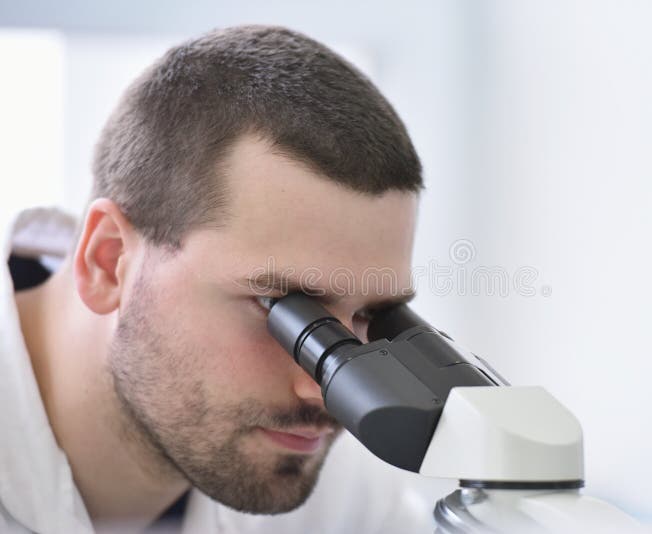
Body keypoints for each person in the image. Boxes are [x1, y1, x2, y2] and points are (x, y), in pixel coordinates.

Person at [1, 25, 452, 533]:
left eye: (371, 316)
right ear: (109, 262)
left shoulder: (337, 487)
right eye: (280, 306)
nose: (326, 391)